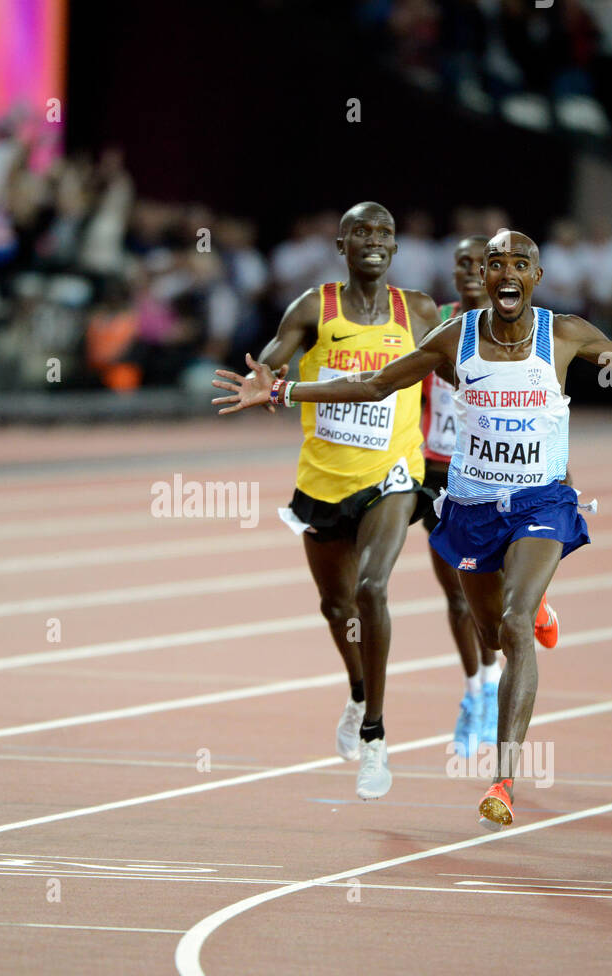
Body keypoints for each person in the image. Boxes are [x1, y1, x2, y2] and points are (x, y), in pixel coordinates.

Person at [214, 229, 612, 830]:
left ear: (535, 277)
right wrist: (283, 389)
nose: (507, 272)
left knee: (513, 627)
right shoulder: (453, 339)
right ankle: (536, 609)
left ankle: (503, 780)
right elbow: (375, 384)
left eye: (520, 263)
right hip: (471, 508)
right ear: (486, 277)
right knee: (491, 634)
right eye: (497, 264)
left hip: (540, 501)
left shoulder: (562, 334)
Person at [244, 201, 440, 800]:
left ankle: (377, 738)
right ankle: (357, 693)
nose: (373, 240)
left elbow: (460, 374)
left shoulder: (420, 311)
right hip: (326, 480)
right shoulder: (314, 308)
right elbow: (272, 361)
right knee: (335, 607)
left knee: (371, 589)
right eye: (361, 231)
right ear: (342, 244)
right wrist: (263, 380)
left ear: (396, 248)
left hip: (395, 474)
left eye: (384, 232)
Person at [421, 236, 503, 758]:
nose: (472, 271)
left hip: (494, 475)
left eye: (483, 263)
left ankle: (495, 677)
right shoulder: (436, 325)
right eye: (463, 264)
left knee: (493, 592)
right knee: (454, 590)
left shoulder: (516, 329)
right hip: (437, 471)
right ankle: (476, 690)